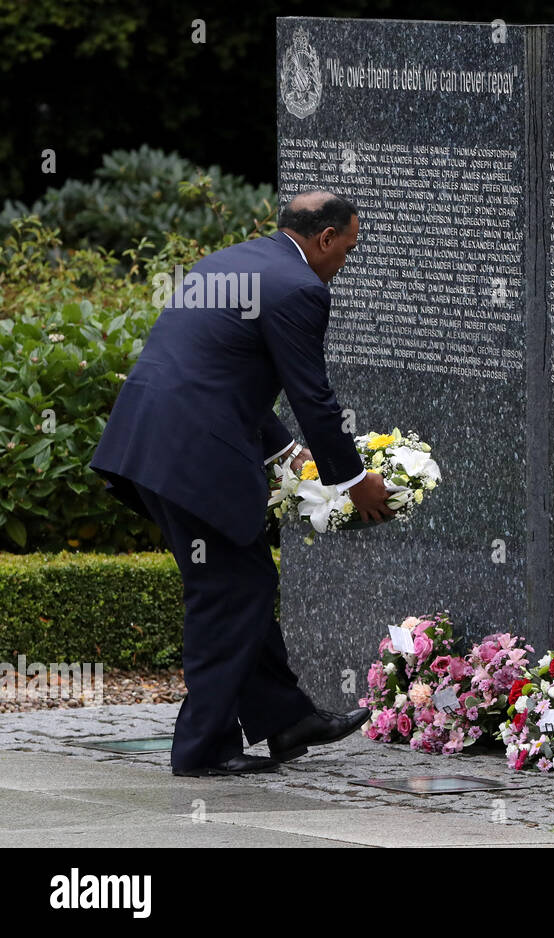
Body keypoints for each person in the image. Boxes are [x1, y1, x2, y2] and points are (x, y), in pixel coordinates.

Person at [91, 190, 395, 776]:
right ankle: (202, 749)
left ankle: (287, 720)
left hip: (149, 444)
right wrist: (356, 481)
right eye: (348, 249)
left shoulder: (228, 262)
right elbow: (312, 395)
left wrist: (283, 449)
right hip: (194, 457)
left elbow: (217, 367)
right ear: (325, 238)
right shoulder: (301, 288)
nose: (346, 263)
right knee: (229, 595)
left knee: (241, 580)